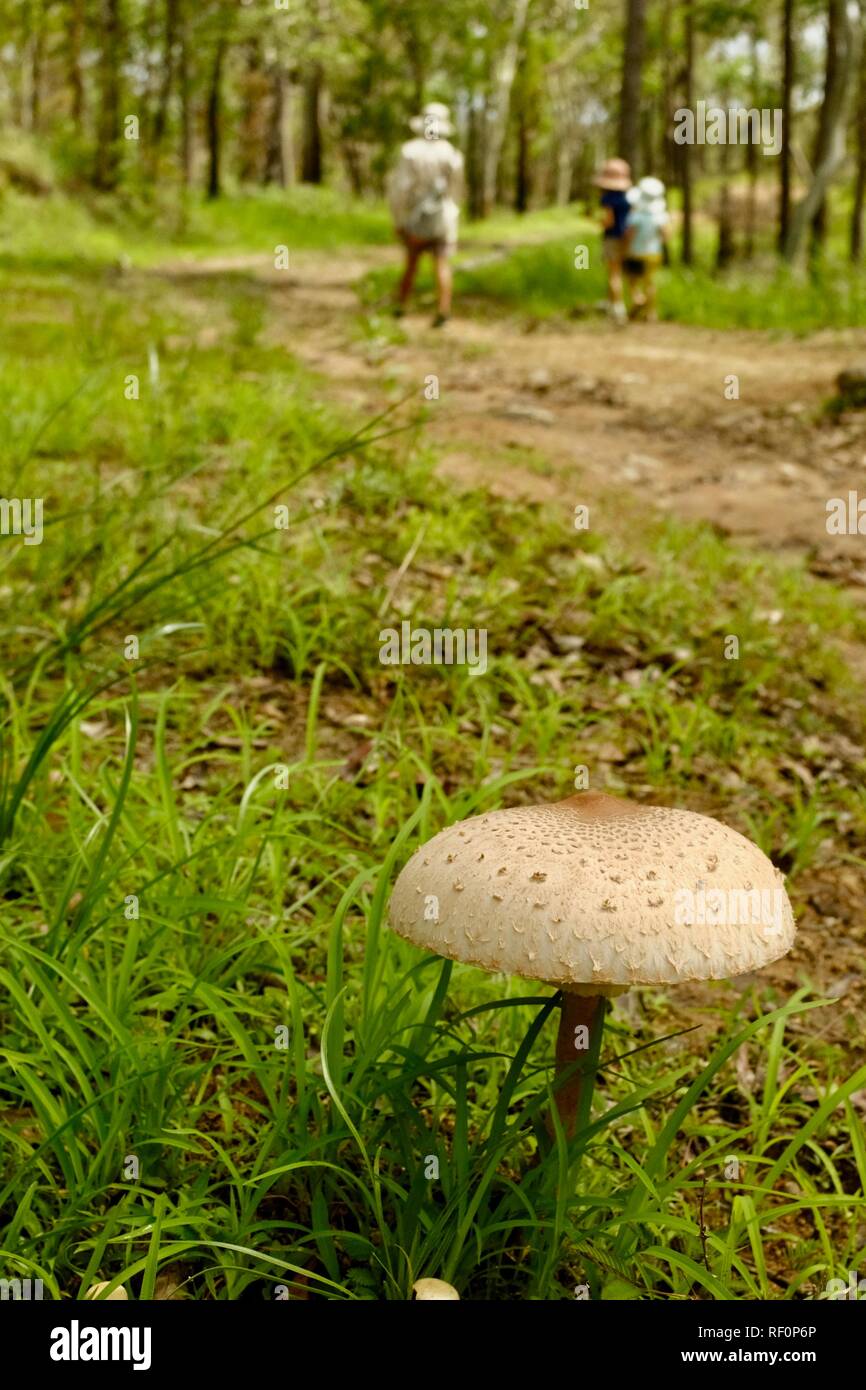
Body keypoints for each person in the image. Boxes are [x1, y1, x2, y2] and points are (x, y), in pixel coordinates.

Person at [388, 102, 464, 328]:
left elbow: (400, 189)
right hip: (443, 219)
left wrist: (399, 219)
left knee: (411, 262)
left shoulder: (410, 151)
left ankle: (401, 306)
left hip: (417, 218)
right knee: (441, 263)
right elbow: (456, 191)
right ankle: (443, 309)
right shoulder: (451, 154)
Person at [622, 177, 669, 322]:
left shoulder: (636, 216)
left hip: (636, 253)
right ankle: (651, 313)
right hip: (654, 253)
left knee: (632, 280)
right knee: (649, 283)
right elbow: (666, 235)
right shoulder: (661, 216)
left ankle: (638, 299)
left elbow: (629, 235)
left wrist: (625, 249)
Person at [593, 157, 632, 324]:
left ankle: (618, 307)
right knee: (619, 272)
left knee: (613, 274)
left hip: (612, 238)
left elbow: (609, 220)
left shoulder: (607, 200)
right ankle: (611, 303)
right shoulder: (627, 199)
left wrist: (598, 223)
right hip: (626, 238)